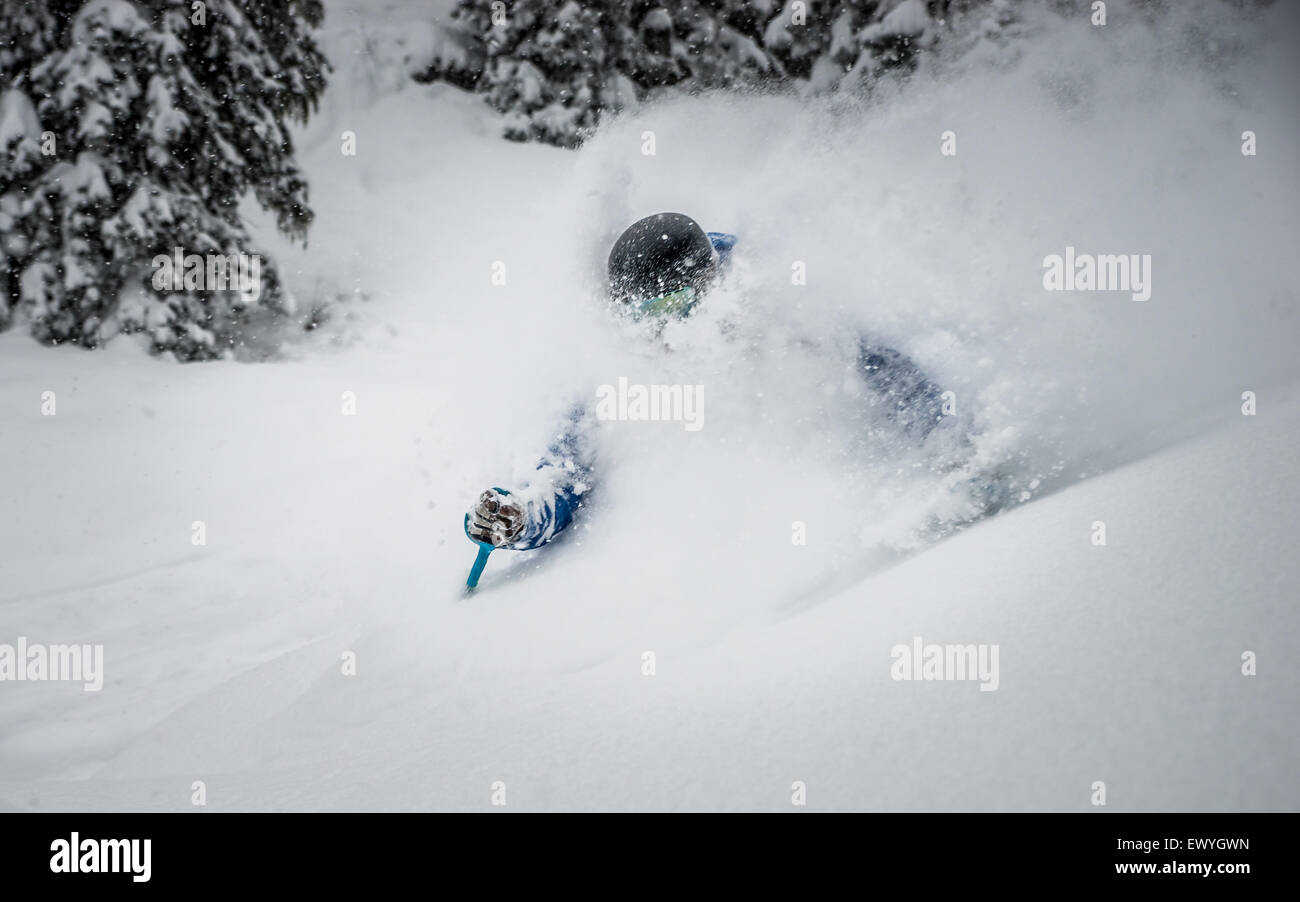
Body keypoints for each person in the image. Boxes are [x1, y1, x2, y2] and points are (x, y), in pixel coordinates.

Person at [465, 212, 954, 551]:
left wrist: (944, 441)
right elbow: (567, 467)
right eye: (640, 313)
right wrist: (523, 518)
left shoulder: (773, 299)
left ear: (710, 284)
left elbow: (880, 366)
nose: (658, 328)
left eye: (671, 306)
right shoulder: (617, 354)